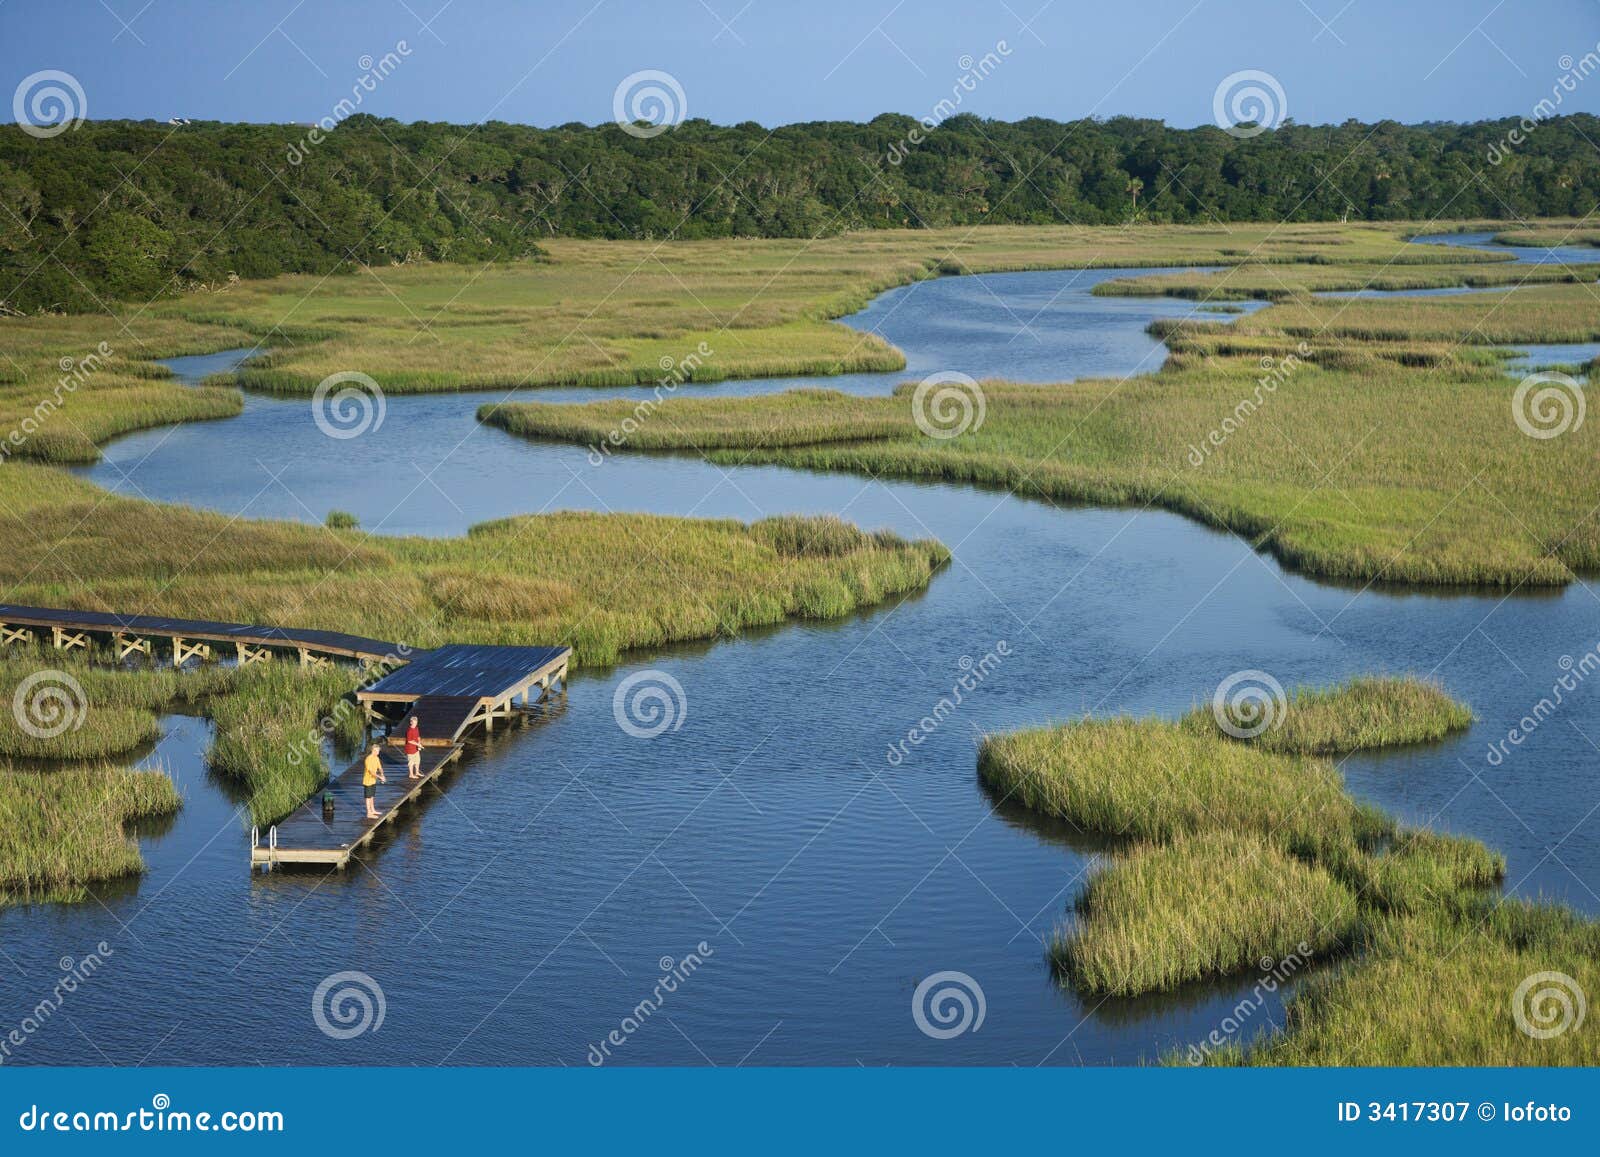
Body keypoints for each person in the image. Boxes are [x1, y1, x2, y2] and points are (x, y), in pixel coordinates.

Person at [362, 742, 385, 819]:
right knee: (368, 797)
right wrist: (380, 777)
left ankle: (373, 810)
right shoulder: (368, 759)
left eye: (378, 751)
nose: (378, 752)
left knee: (372, 796)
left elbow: (380, 767)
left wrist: (382, 774)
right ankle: (368, 813)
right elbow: (371, 772)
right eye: (377, 751)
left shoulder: (376, 758)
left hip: (373, 781)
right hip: (367, 781)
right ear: (373, 751)